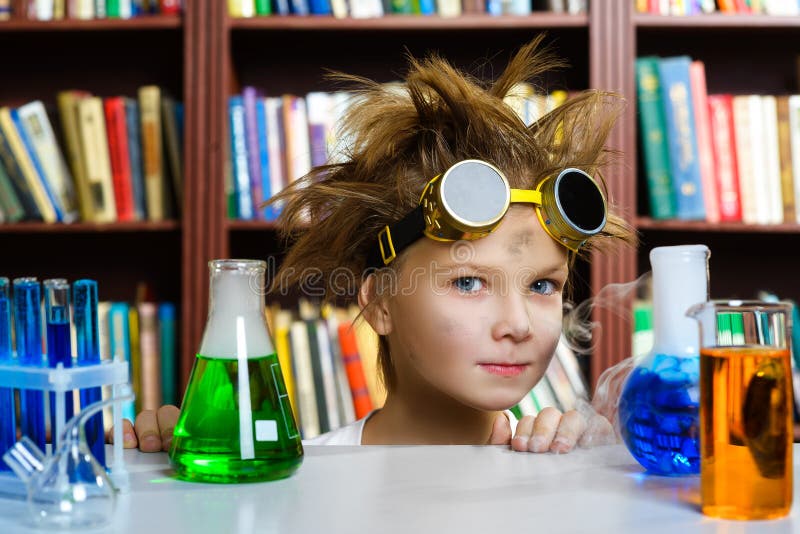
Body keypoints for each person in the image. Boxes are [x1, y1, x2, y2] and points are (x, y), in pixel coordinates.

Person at [116, 35, 635, 453]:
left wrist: (593, 466)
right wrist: (157, 469)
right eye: (468, 282)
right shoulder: (304, 480)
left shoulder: (562, 462)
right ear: (380, 303)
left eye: (542, 285)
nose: (519, 325)